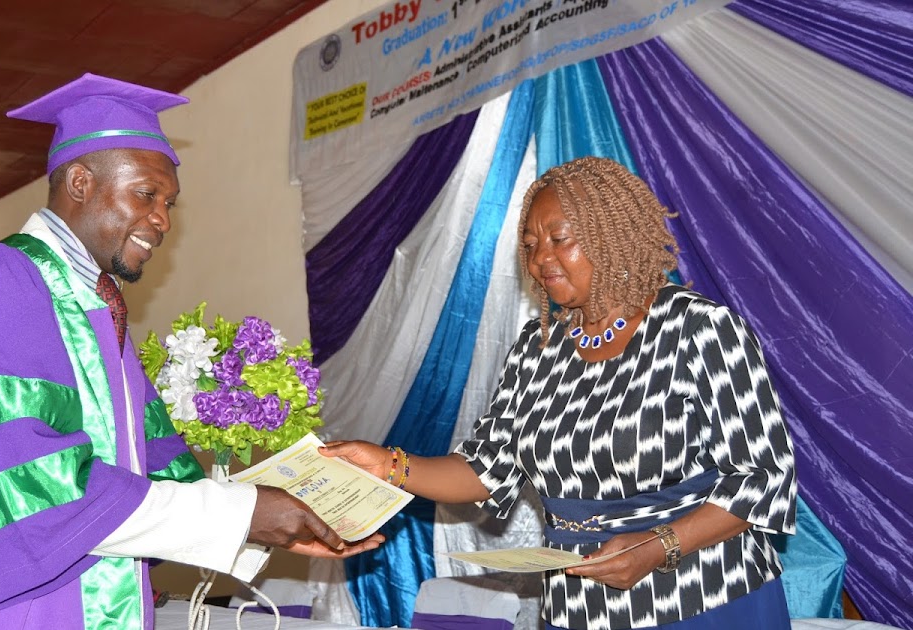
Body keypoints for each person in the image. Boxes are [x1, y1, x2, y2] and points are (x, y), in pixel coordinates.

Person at [0, 73, 381, 629]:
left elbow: (159, 478)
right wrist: (248, 514)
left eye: (169, 203)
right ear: (79, 182)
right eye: (146, 194)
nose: (162, 220)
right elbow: (38, 486)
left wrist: (281, 518)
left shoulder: (100, 309)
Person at [322, 156, 797, 629]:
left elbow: (765, 478)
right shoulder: (538, 346)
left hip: (700, 599)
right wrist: (386, 464)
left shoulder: (698, 328)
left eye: (559, 239)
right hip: (577, 607)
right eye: (530, 244)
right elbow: (486, 468)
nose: (540, 258)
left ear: (611, 234)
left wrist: (658, 546)